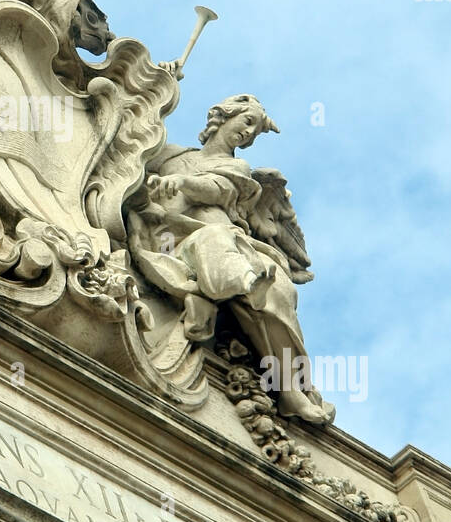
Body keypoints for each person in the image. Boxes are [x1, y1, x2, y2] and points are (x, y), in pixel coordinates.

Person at [129, 94, 335, 424]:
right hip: (172, 239)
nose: (248, 133)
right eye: (246, 122)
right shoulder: (170, 154)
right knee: (215, 245)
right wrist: (156, 88)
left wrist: (182, 183)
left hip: (223, 239)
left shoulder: (236, 166)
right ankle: (244, 282)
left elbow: (219, 190)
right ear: (223, 116)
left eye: (253, 131)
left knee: (281, 291)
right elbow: (130, 149)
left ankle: (291, 390)